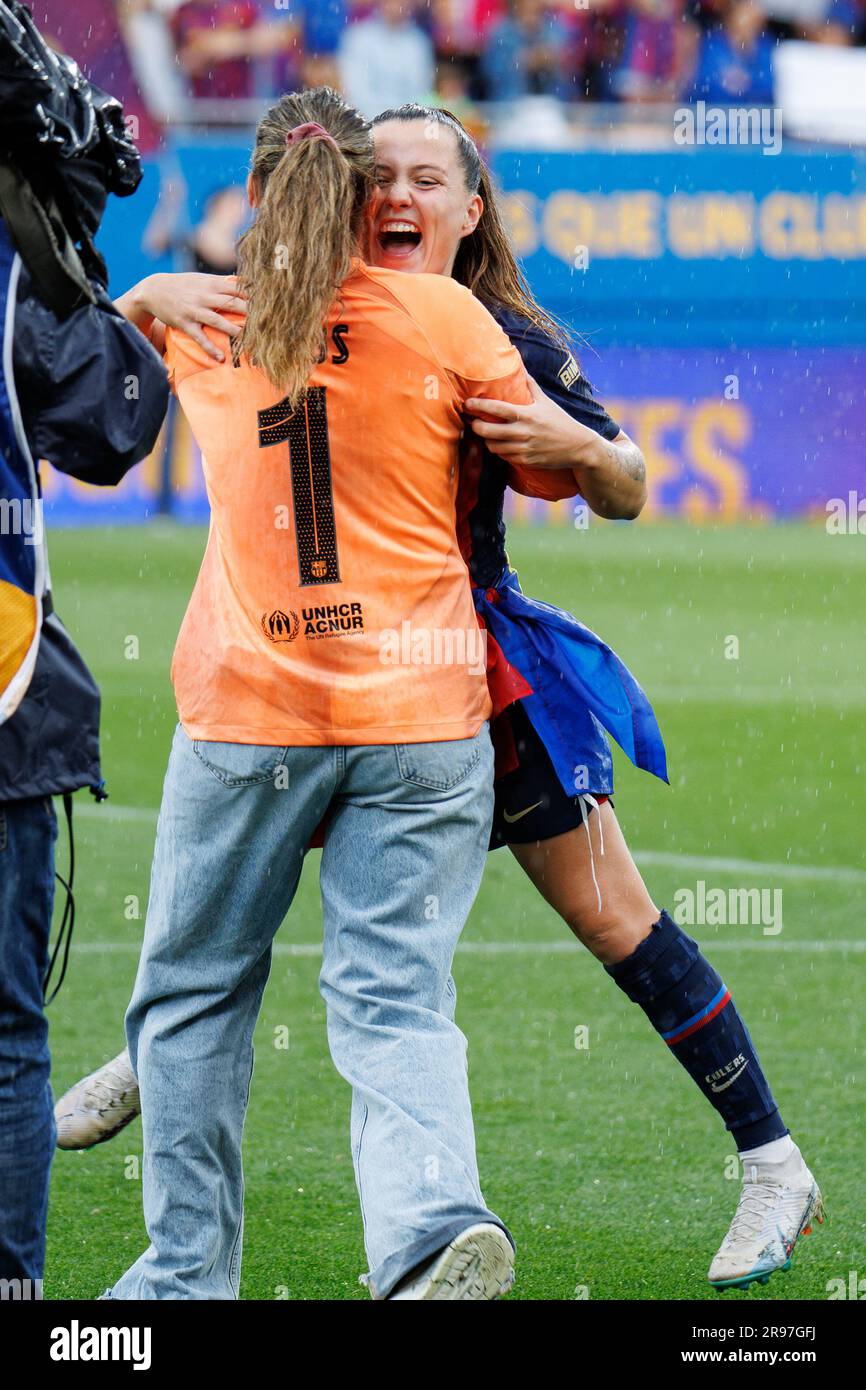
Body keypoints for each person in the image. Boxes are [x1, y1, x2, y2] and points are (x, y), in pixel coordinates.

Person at [59, 103, 823, 1296]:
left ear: (471, 211)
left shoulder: (495, 326)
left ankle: (771, 1160)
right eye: (383, 175)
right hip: (390, 687)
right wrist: (167, 289)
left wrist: (579, 444)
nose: (398, 194)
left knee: (607, 915)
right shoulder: (318, 303)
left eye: (429, 177)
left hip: (470, 667)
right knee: (345, 925)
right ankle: (185, 1063)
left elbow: (620, 481)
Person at [98, 84, 555, 1302]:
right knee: (394, 993)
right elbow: (553, 458)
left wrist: (140, 297)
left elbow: (67, 392)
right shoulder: (443, 316)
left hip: (254, 708)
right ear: (364, 201)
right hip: (421, 715)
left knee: (194, 997)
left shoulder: (203, 318)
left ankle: (184, 1278)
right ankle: (424, 1234)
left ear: (257, 195)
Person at [0, 0, 168, 1290]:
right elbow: (110, 427)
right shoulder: (17, 273)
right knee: (4, 1037)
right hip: (2, 689)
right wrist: (122, 306)